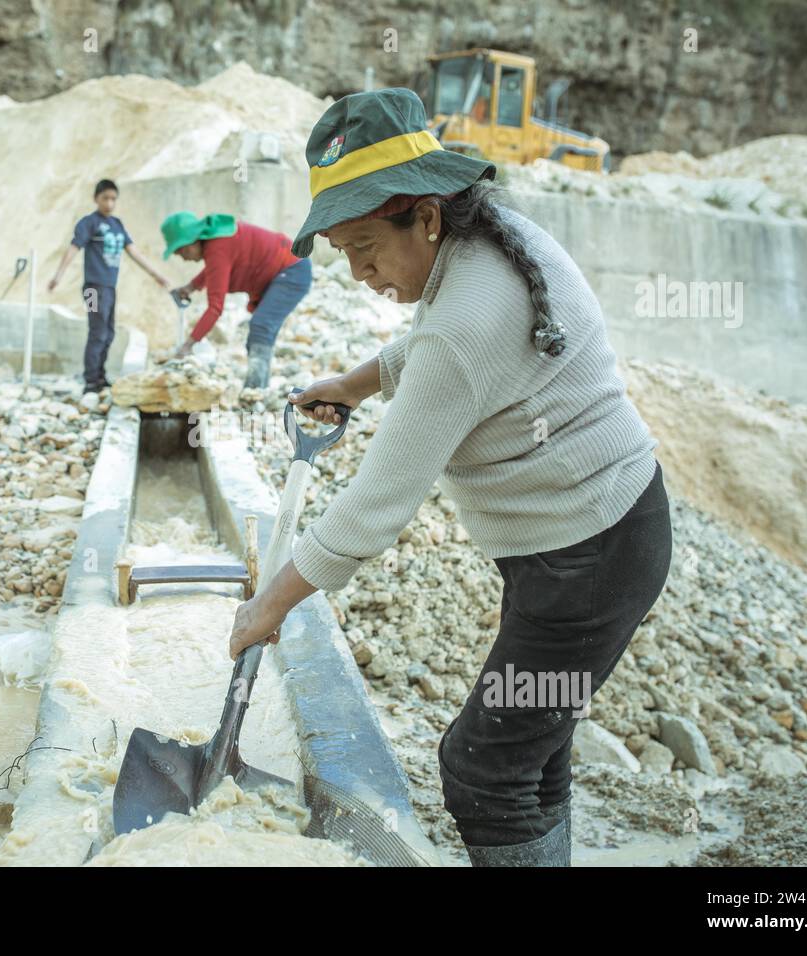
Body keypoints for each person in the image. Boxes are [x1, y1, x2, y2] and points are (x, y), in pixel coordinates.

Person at [226, 89, 672, 867]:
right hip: (595, 539)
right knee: (535, 748)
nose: (360, 271)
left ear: (426, 216)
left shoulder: (467, 317)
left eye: (367, 246)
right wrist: (356, 383)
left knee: (483, 770)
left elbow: (373, 507)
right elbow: (440, 347)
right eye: (343, 254)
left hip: (588, 561)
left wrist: (269, 605)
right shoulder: (489, 244)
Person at [160, 211, 312, 390]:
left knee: (261, 326)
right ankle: (259, 390)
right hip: (287, 269)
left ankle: (256, 391)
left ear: (191, 241)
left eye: (181, 251)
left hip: (291, 269)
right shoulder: (216, 241)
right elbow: (216, 270)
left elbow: (215, 309)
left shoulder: (217, 248)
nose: (184, 258)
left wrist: (187, 346)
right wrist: (191, 287)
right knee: (258, 333)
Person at [48, 179, 171, 393]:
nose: (110, 203)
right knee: (97, 331)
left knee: (109, 332)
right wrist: (58, 275)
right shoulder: (89, 223)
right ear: (96, 199)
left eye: (113, 198)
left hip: (108, 288)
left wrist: (156, 275)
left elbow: (134, 252)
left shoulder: (118, 225)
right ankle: (91, 381)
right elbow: (74, 248)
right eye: (105, 198)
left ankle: (100, 376)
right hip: (93, 289)